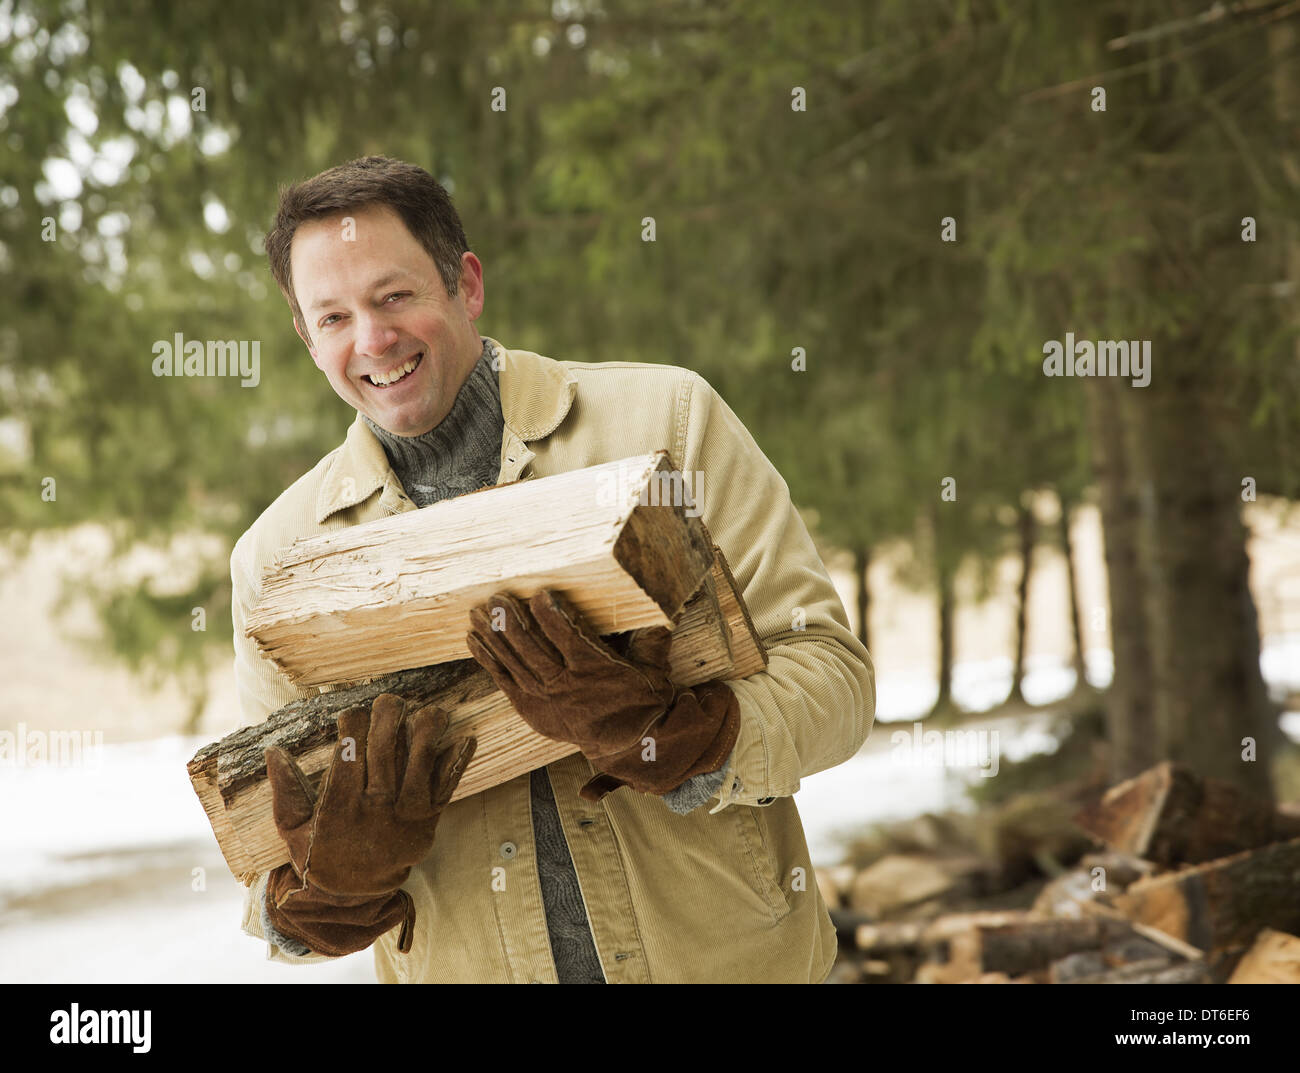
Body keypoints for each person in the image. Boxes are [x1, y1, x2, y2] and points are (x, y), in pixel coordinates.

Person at [232, 155, 875, 983]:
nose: (373, 339)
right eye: (333, 317)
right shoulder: (278, 557)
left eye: (394, 296)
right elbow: (261, 857)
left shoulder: (667, 421)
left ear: (465, 283)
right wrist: (330, 892)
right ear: (306, 336)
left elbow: (835, 679)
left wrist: (684, 738)